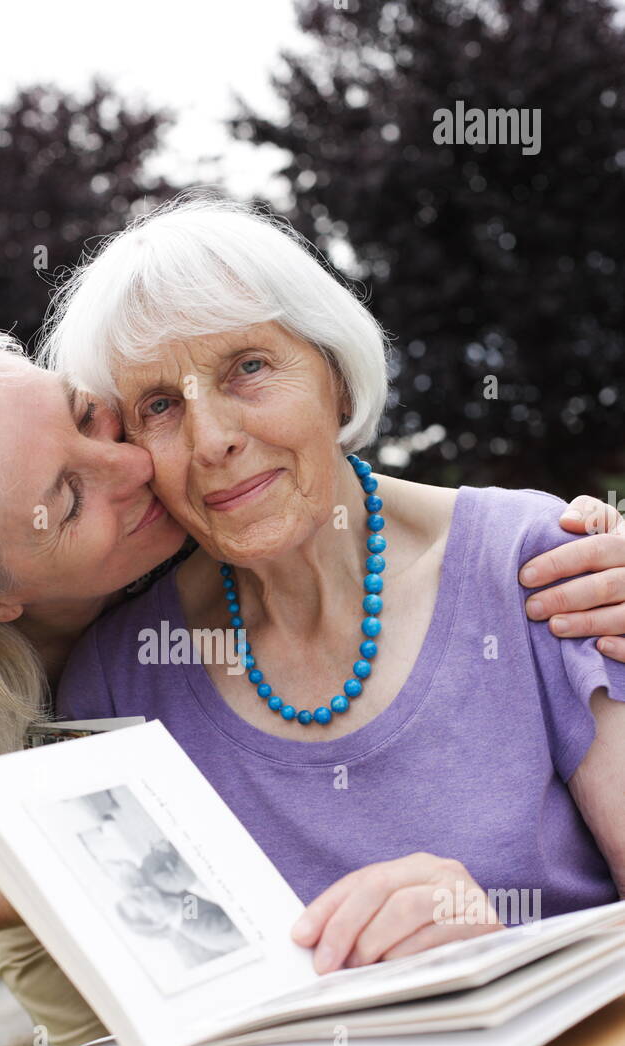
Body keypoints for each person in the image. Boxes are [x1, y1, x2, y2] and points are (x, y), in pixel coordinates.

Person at [0, 221, 625, 1046]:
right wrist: (72, 874)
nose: (154, 460)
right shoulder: (37, 677)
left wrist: (547, 536)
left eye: (95, 417)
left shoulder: (538, 571)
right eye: (154, 408)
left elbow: (352, 507)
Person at [49, 196, 625, 980]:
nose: (213, 437)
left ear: (336, 379)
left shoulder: (540, 566)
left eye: (247, 368)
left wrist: (507, 959)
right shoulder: (118, 679)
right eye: (159, 406)